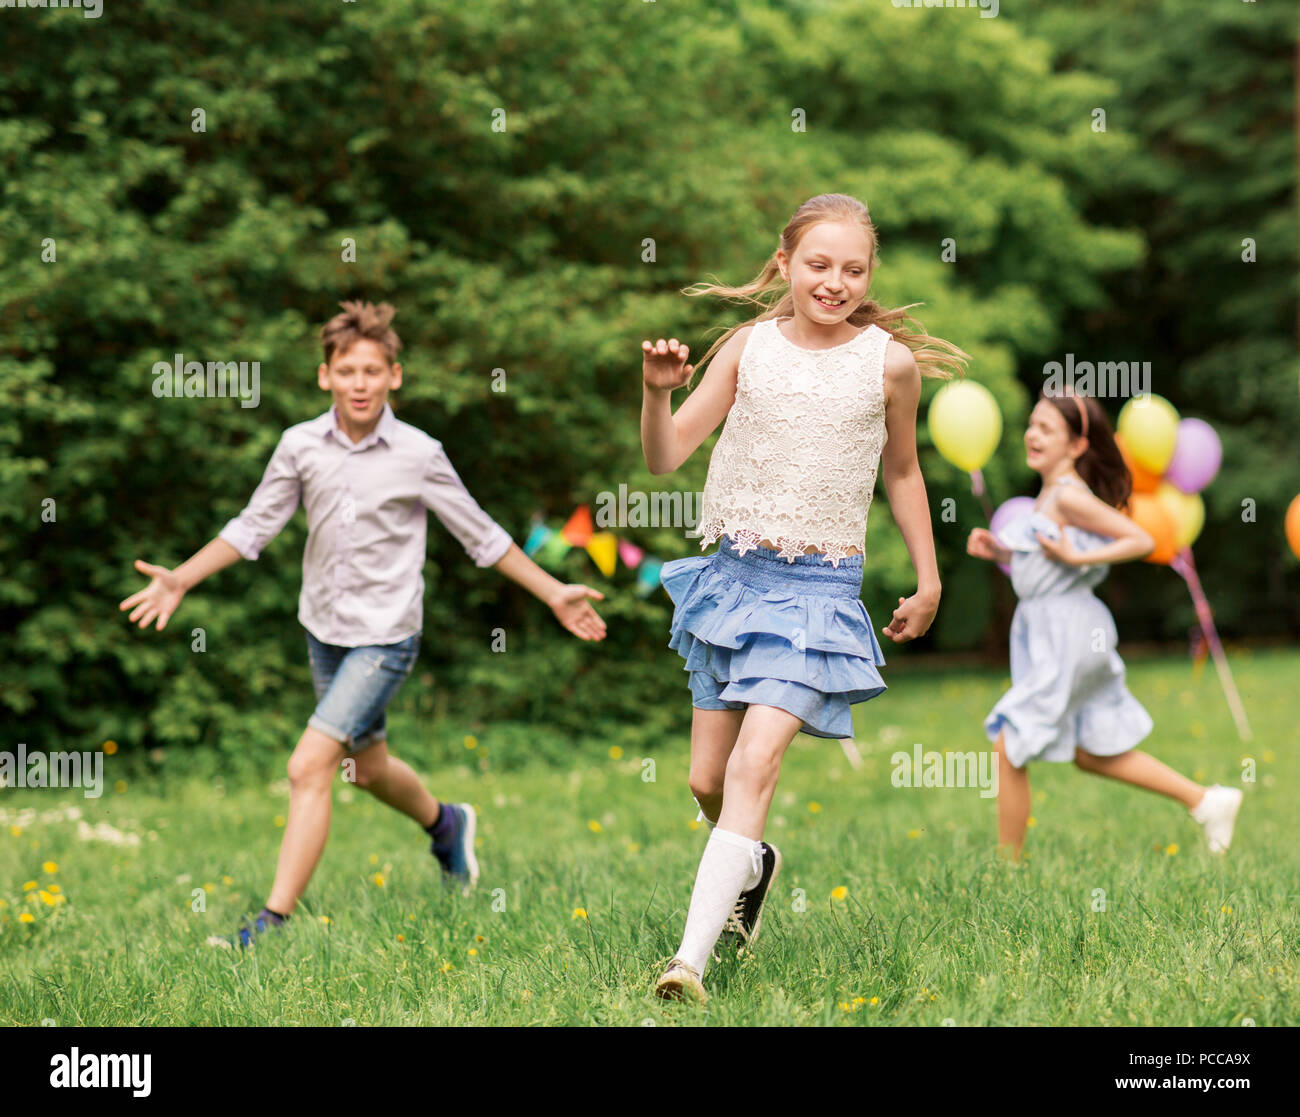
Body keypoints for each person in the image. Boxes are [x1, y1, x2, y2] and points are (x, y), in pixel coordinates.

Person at [120, 300, 606, 947]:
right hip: (323, 627)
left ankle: (271, 923)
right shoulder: (299, 445)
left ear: (394, 376)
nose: (359, 382)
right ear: (325, 376)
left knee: (309, 766)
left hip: (386, 634)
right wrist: (181, 576)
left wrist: (552, 593)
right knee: (368, 768)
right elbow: (253, 527)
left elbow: (481, 535)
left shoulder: (418, 453)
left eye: (372, 370)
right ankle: (448, 826)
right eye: (346, 369)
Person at [640, 193, 968, 1002]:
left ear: (869, 274)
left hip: (815, 593)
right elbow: (665, 455)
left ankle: (688, 963)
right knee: (707, 782)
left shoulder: (887, 363)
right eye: (818, 265)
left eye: (853, 269)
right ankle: (753, 862)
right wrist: (654, 393)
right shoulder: (748, 349)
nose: (835, 282)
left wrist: (929, 578)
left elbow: (902, 472)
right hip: (731, 581)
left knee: (756, 765)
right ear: (784, 264)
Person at [969, 391, 1243, 860]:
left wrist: (1079, 555)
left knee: (1009, 743)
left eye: (1047, 429)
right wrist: (1003, 552)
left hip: (1069, 632)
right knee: (1092, 749)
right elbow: (1048, 556)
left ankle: (1005, 870)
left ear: (1077, 445)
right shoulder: (1053, 494)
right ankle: (1207, 801)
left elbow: (1140, 539)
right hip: (1063, 628)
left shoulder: (1069, 496)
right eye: (1032, 425)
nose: (1033, 435)